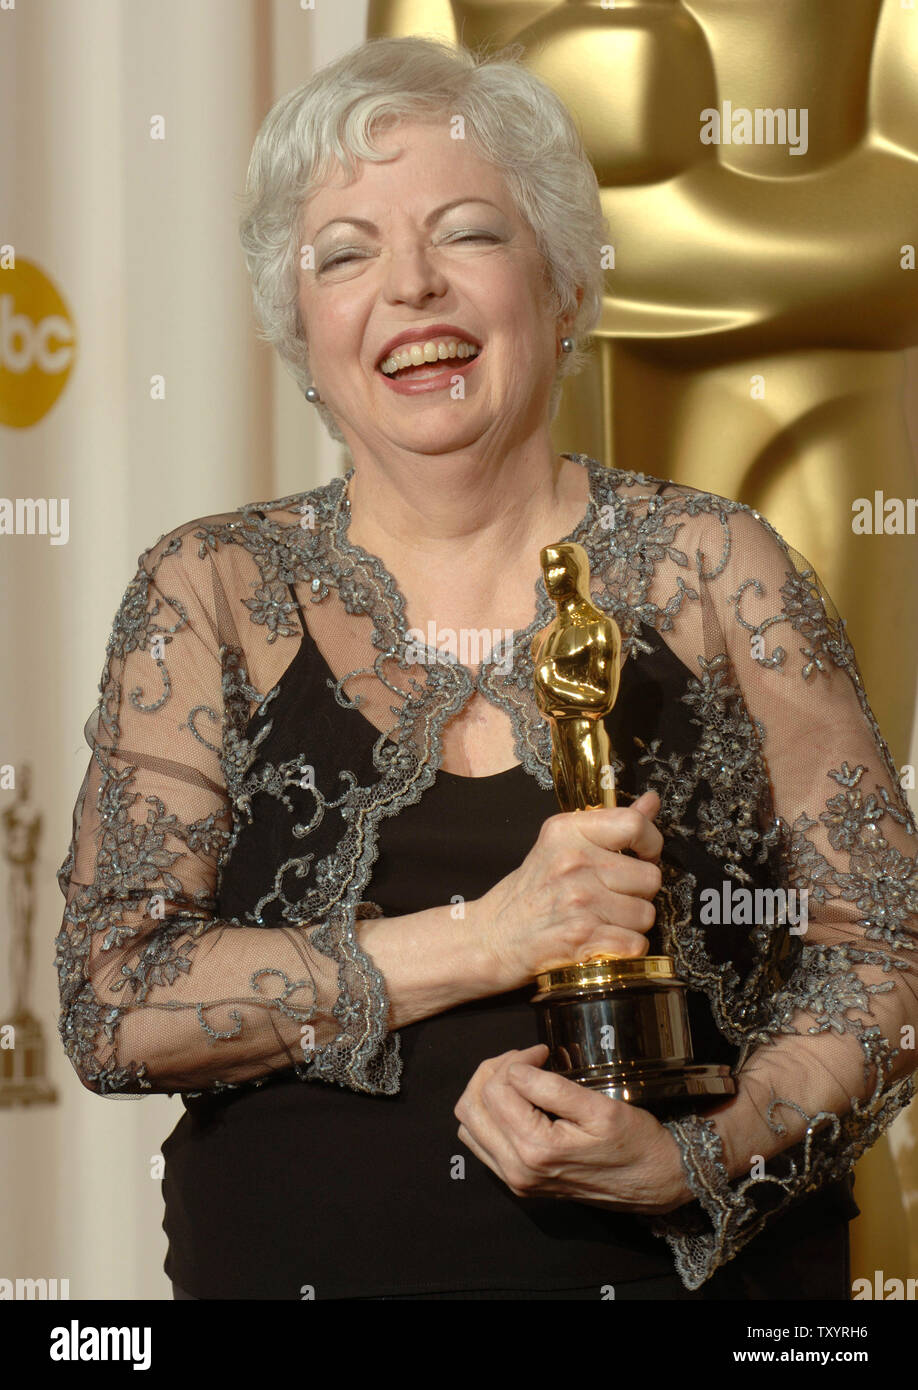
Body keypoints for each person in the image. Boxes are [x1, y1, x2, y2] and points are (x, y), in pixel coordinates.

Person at [56, 36, 918, 1301]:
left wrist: (701, 1155)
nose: (408, 285)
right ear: (302, 327)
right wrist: (490, 935)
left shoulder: (715, 569)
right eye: (345, 253)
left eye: (465, 233)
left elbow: (886, 946)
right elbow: (112, 1000)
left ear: (563, 285)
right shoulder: (215, 590)